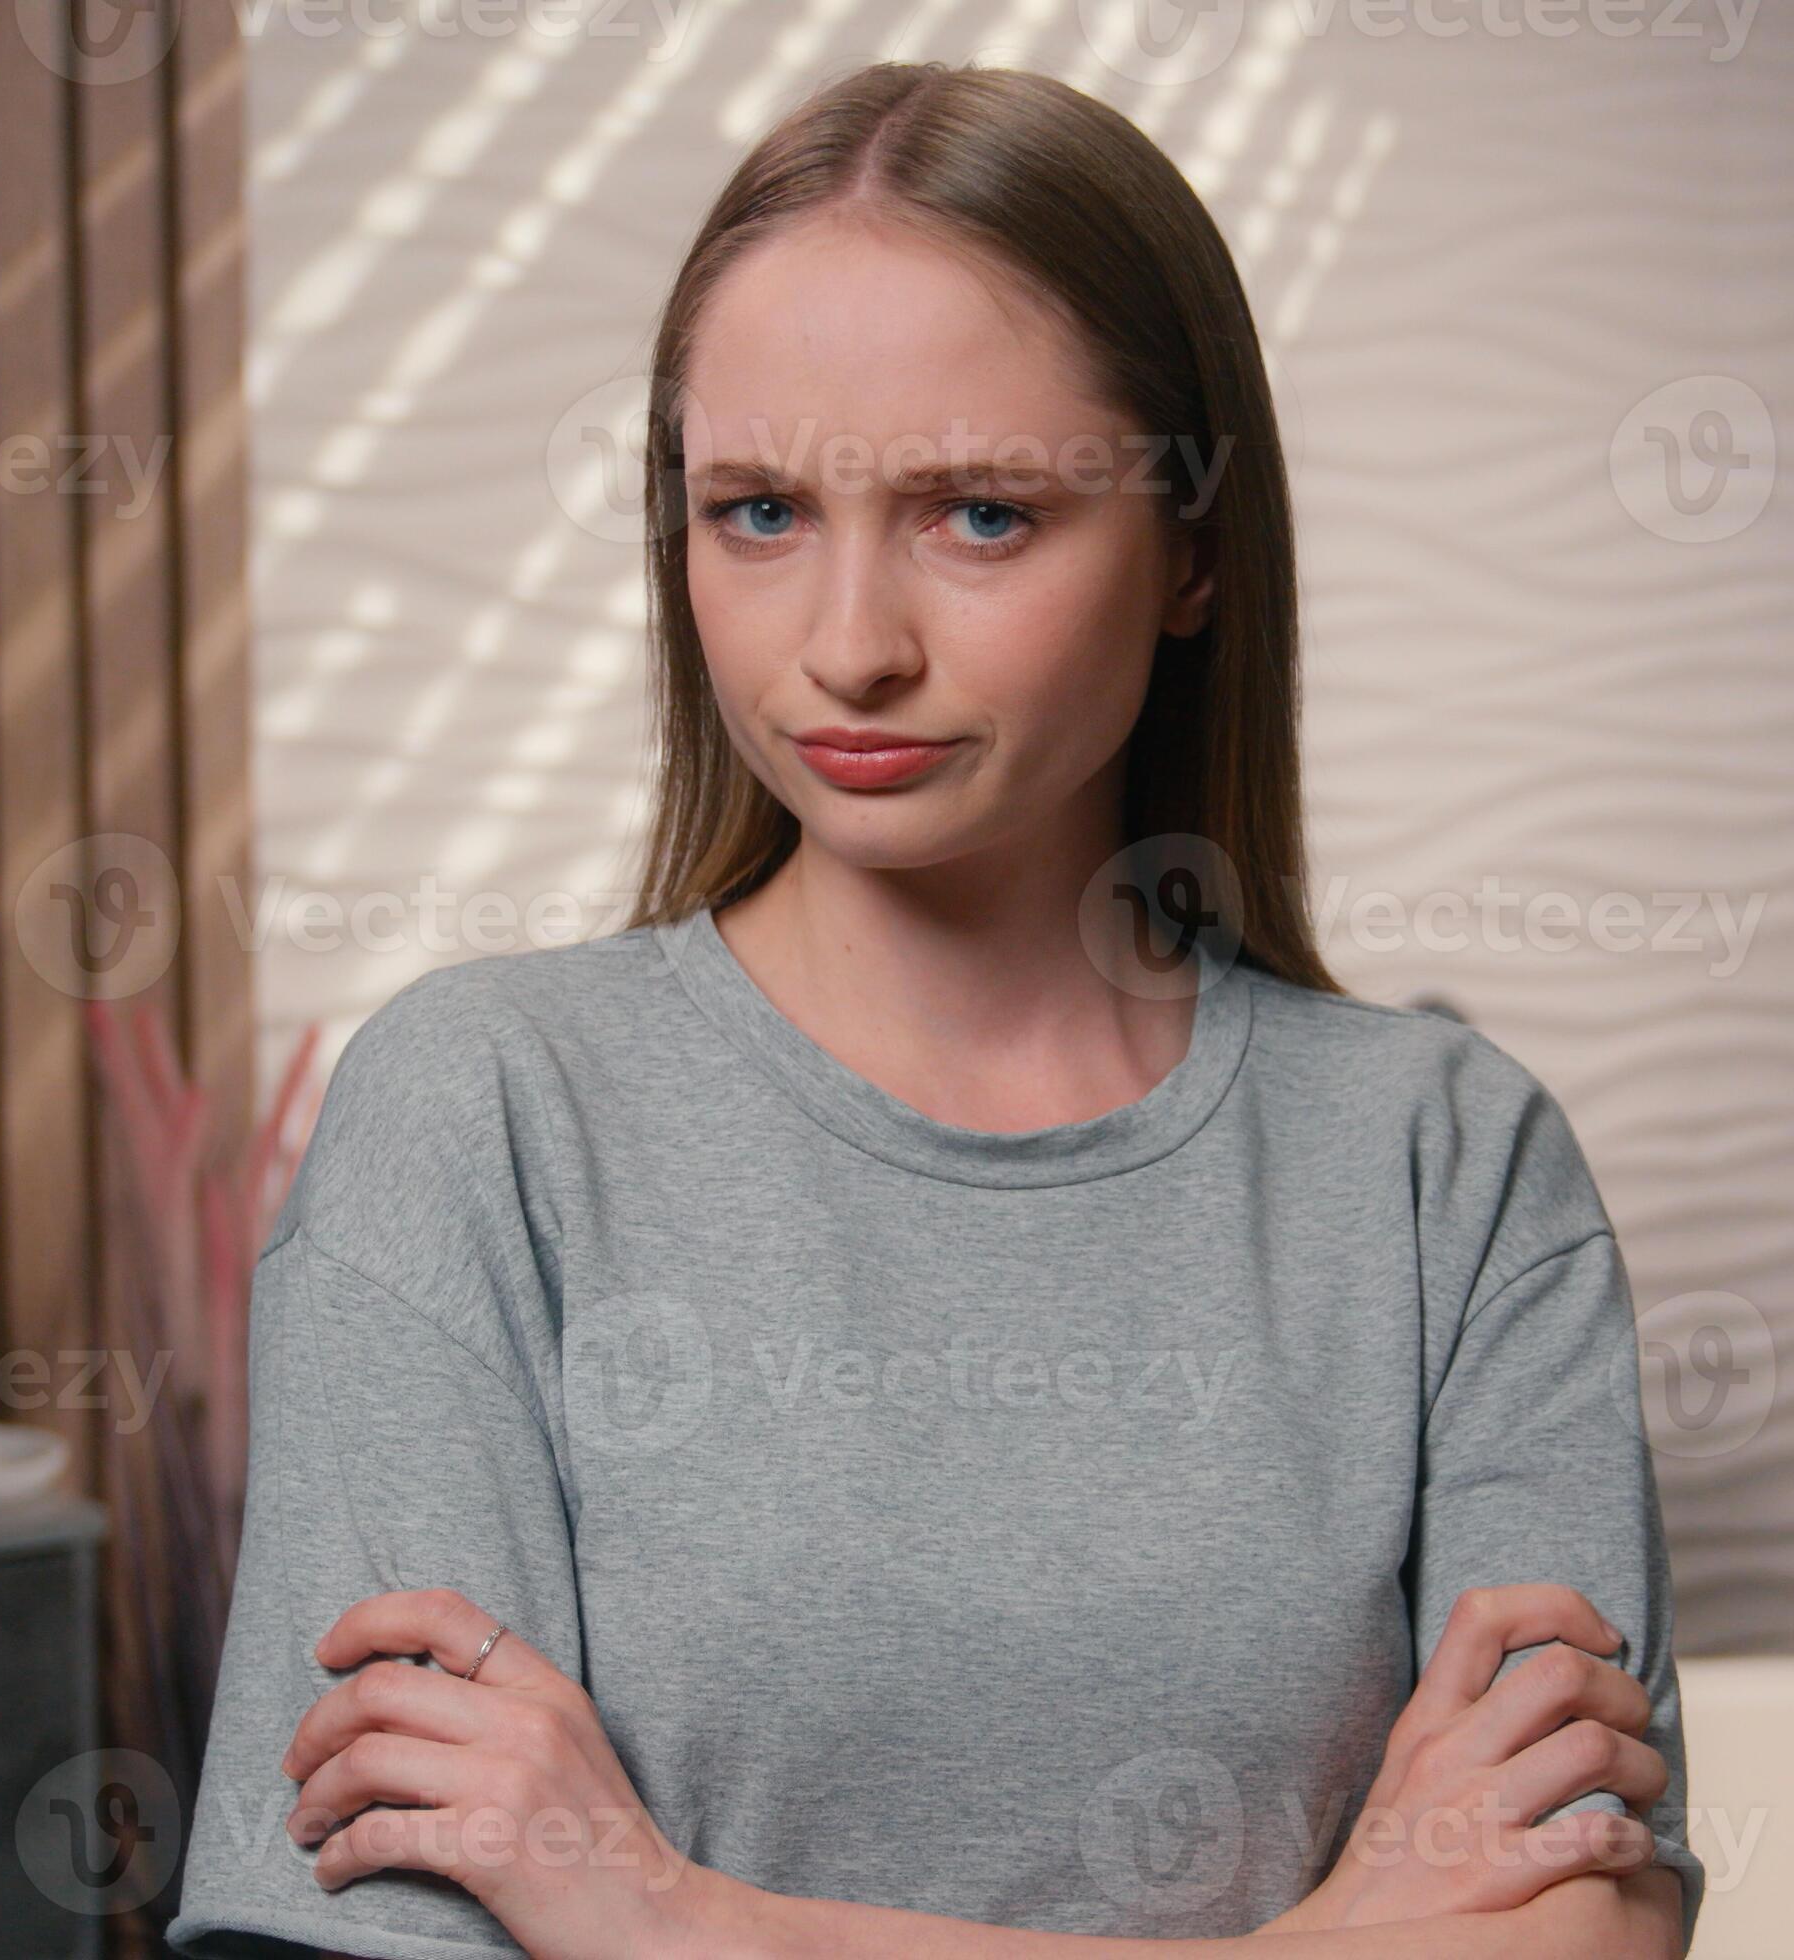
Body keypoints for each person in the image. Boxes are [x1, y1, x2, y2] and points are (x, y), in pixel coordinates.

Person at [167, 59, 1698, 1960]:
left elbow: (1572, 1938)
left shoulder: (1446, 1168)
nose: (851, 644)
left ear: (1199, 547)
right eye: (756, 512)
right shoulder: (480, 1117)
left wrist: (665, 1921)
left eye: (981, 515)